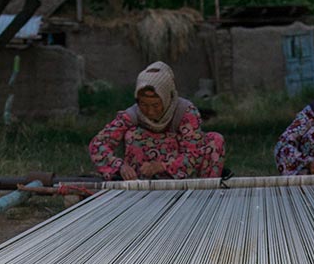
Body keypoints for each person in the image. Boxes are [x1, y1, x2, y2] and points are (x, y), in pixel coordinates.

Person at [89, 61, 224, 180]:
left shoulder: (186, 112)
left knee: (215, 140)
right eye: (144, 105)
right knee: (133, 134)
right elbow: (98, 143)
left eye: (155, 105)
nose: (150, 111)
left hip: (183, 177)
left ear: (166, 98)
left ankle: (204, 194)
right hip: (145, 178)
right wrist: (120, 166)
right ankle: (140, 191)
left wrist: (162, 166)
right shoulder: (131, 115)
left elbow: (194, 153)